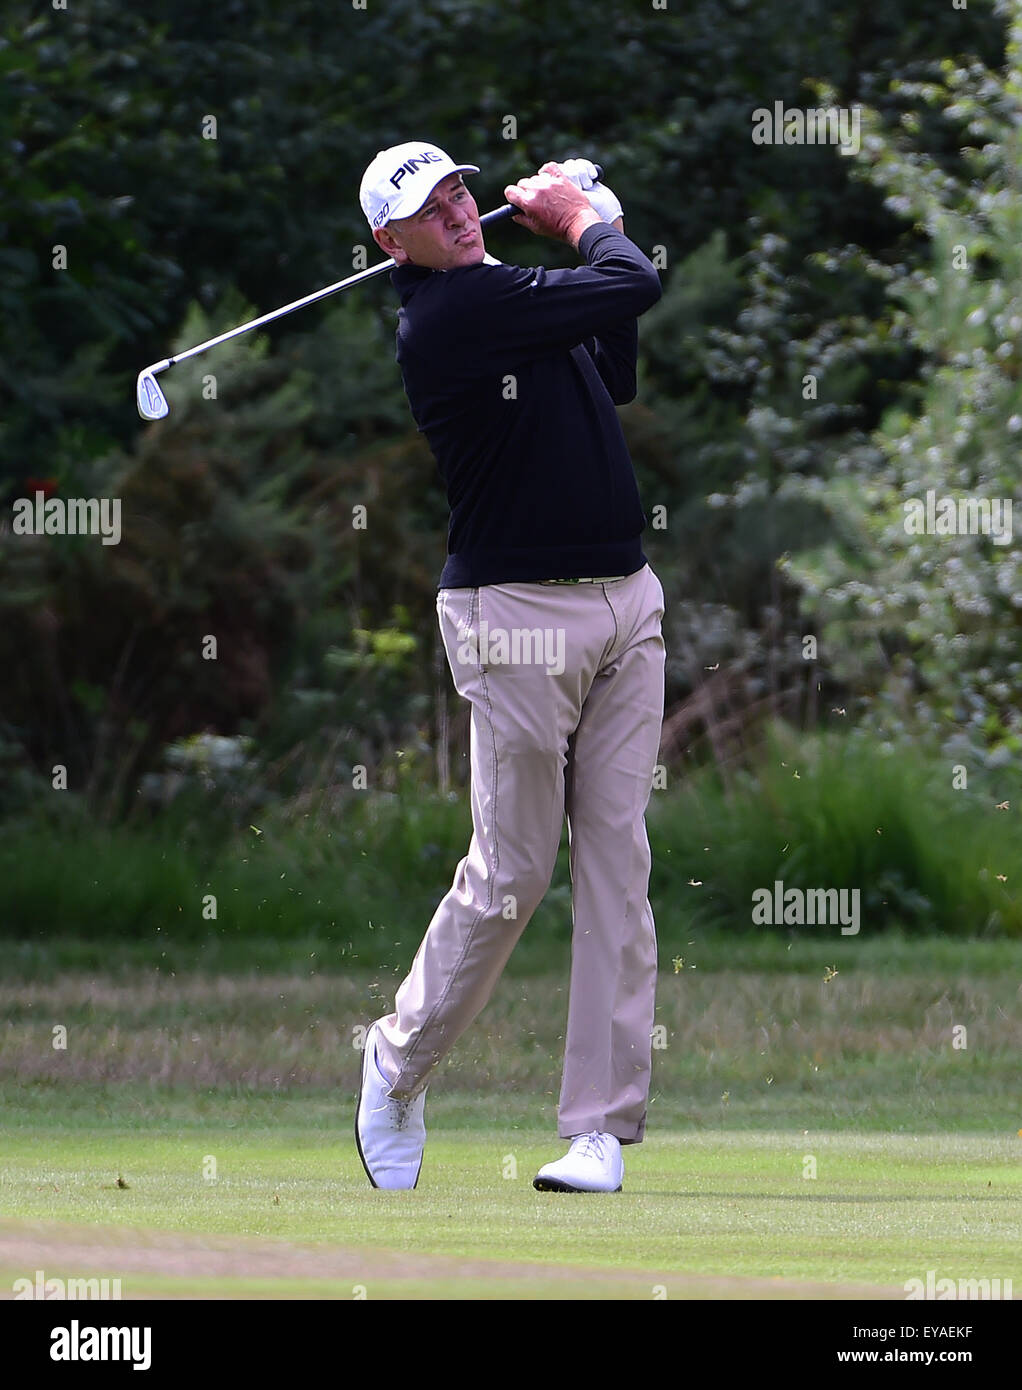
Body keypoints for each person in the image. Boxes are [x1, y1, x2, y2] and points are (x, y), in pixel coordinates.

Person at [354, 141, 665, 1193]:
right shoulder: (450, 318)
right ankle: (395, 1062)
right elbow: (632, 277)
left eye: (457, 191)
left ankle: (598, 1131)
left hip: (625, 601)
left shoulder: (504, 291)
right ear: (390, 245)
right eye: (425, 209)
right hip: (513, 617)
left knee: (618, 866)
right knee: (513, 873)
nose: (455, 211)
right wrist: (585, 219)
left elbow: (612, 360)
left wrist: (592, 218)